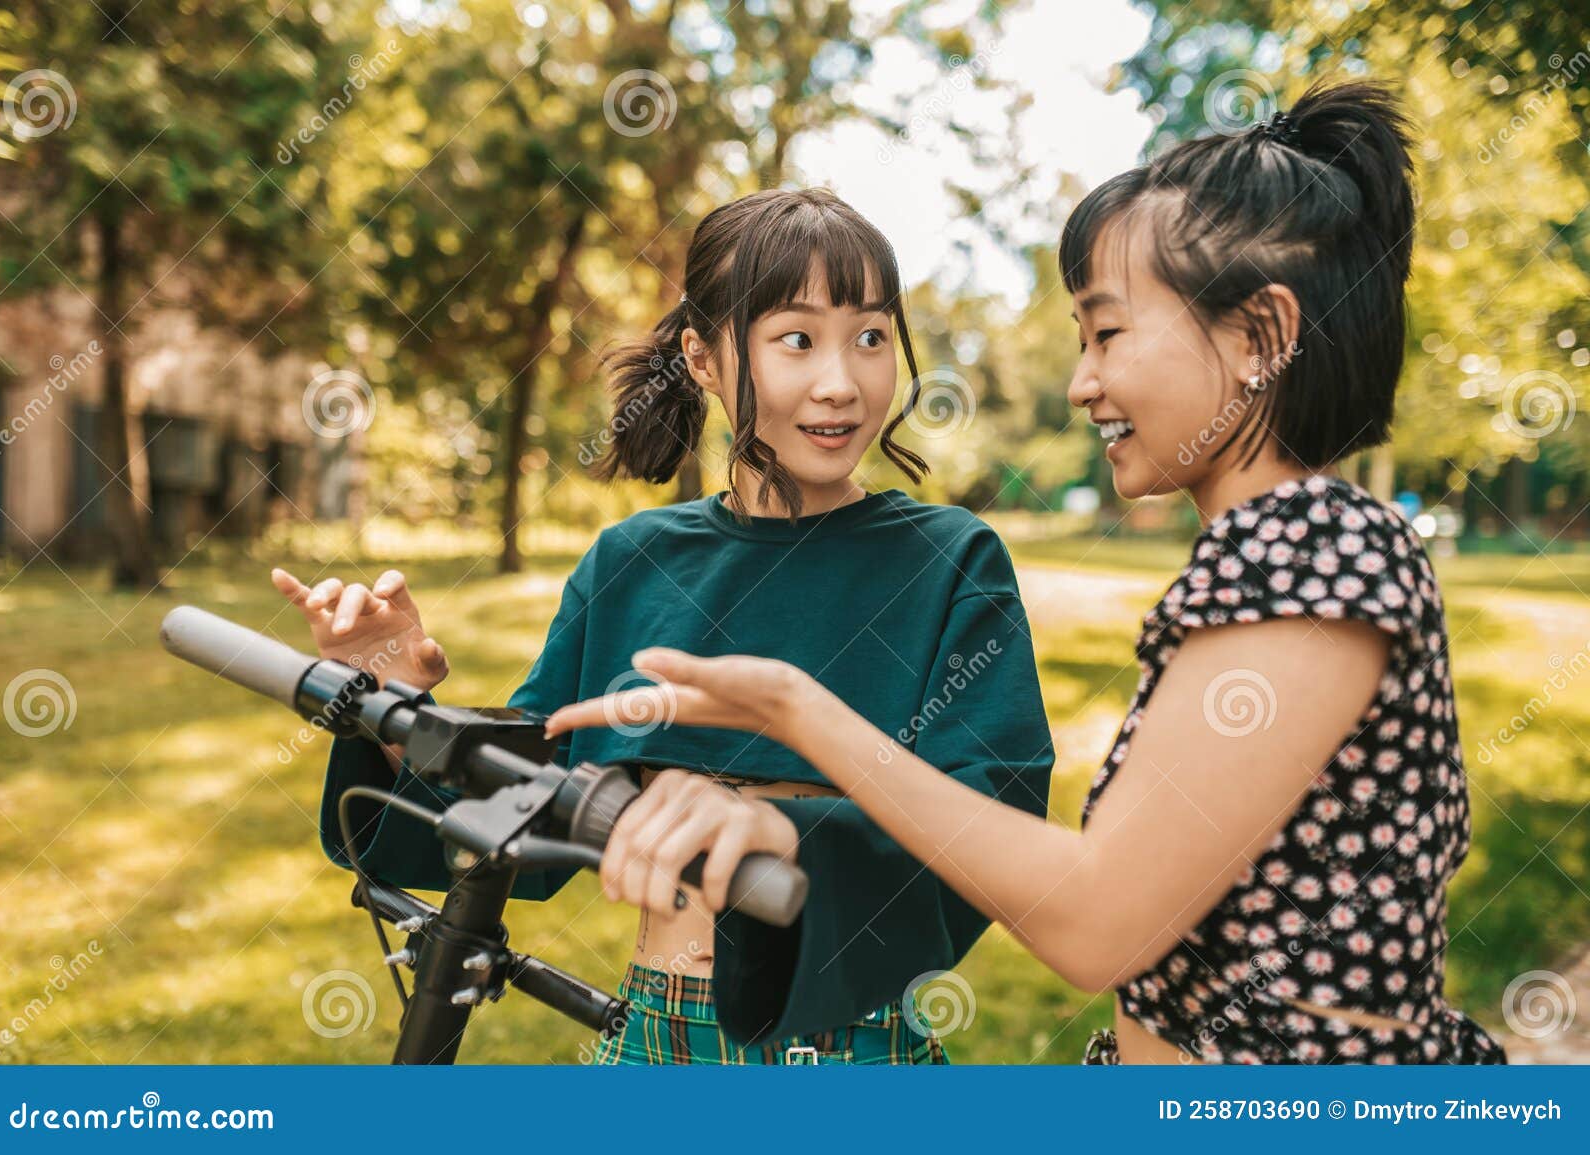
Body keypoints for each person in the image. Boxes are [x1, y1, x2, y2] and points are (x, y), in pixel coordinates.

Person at [545, 82, 1507, 1065]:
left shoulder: (1312, 557)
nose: (1081, 383)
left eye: (1107, 334)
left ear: (1259, 337)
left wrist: (799, 716)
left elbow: (1094, 920)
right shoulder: (1277, 554)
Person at [272, 188, 1054, 1064]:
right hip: (649, 1041)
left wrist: (785, 837)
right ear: (704, 358)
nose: (842, 382)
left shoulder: (949, 561)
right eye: (797, 339)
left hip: (861, 1051)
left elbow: (996, 824)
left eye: (871, 336)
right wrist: (396, 710)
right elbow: (523, 816)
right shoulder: (634, 561)